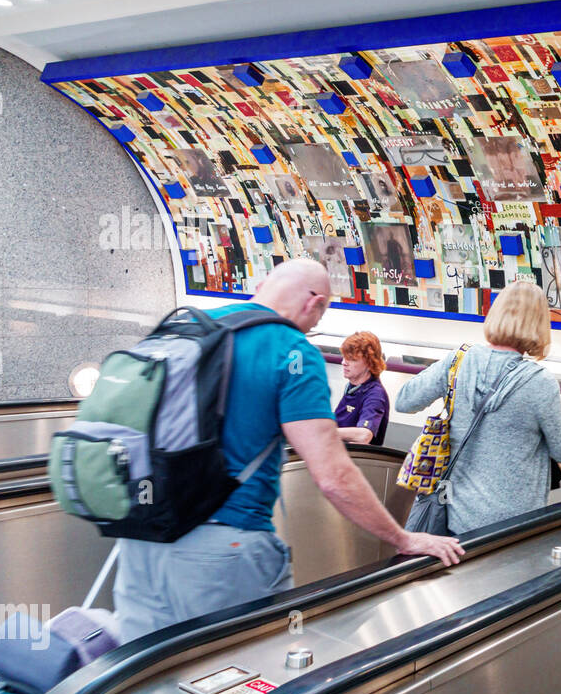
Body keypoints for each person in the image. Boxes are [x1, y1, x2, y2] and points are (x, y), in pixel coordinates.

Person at [113, 260, 463, 641]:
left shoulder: (187, 326)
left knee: (140, 678)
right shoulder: (291, 350)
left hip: (139, 539)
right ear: (313, 303)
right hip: (223, 552)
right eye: (321, 314)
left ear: (263, 285)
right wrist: (404, 538)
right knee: (241, 673)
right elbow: (333, 475)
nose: (314, 326)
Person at [394, 281, 561, 534]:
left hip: (457, 517)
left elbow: (405, 401)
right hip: (516, 524)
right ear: (539, 325)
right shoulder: (539, 382)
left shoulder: (458, 361)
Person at [335, 331, 390, 446]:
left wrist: (325, 432)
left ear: (369, 363)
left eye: (351, 359)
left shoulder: (375, 395)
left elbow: (364, 435)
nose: (343, 363)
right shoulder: (353, 387)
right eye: (344, 357)